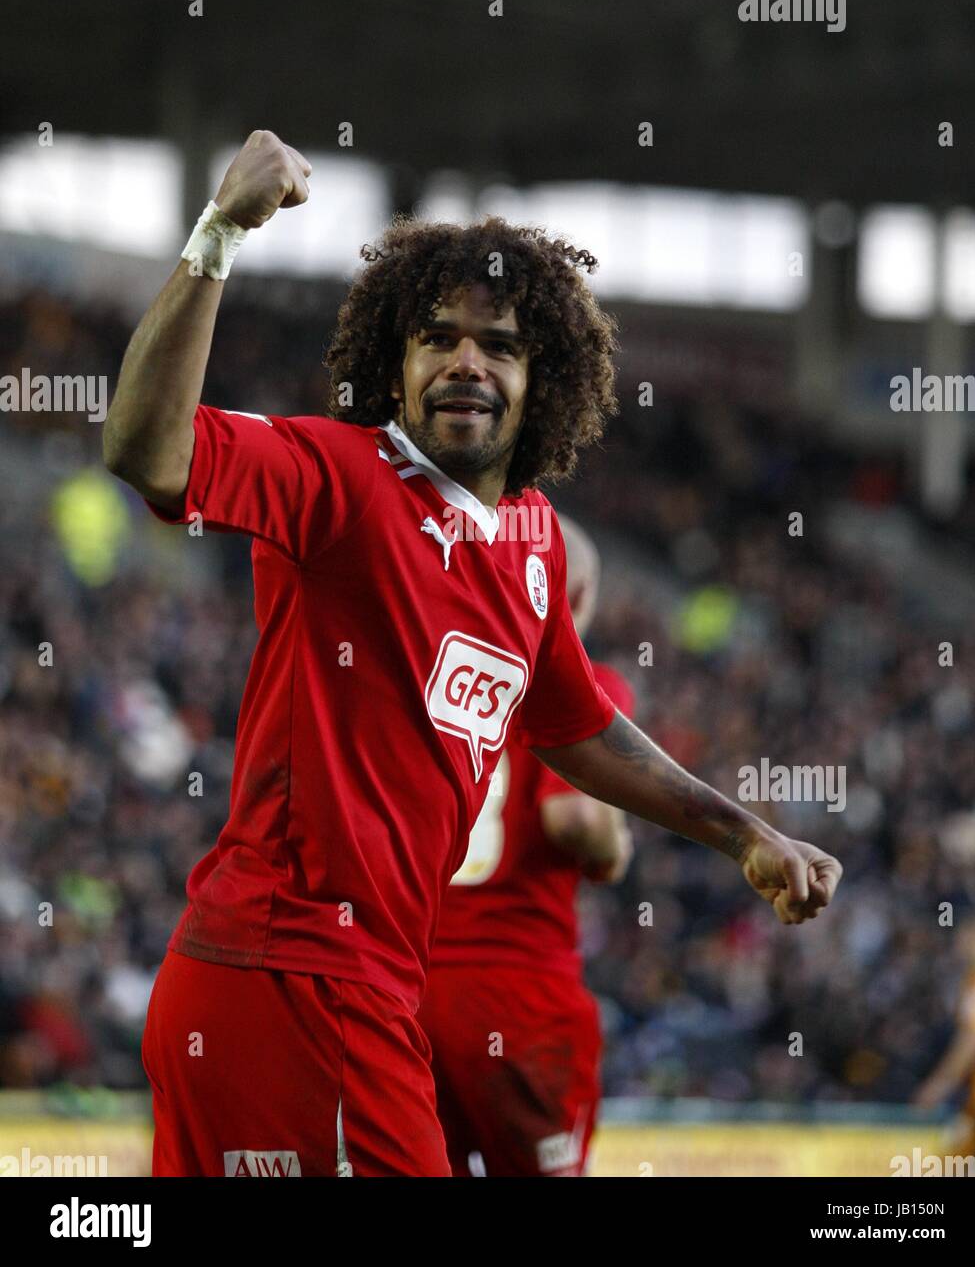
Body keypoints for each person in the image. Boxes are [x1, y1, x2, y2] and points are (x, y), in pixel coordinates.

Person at [104, 129, 842, 1177]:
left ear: (542, 377)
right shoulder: (338, 478)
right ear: (391, 364)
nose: (465, 362)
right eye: (436, 338)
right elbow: (147, 450)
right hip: (294, 975)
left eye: (497, 345)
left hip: (347, 987)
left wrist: (744, 835)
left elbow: (577, 724)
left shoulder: (533, 543)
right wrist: (218, 234)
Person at [421, 515, 634, 1176]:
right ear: (578, 593)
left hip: (406, 990)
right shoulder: (583, 683)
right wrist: (614, 848)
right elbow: (573, 820)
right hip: (516, 983)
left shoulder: (434, 675)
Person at [914, 914, 975, 1160]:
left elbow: (973, 1039)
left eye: (965, 937)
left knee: (955, 1165)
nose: (959, 945)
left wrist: (940, 1084)